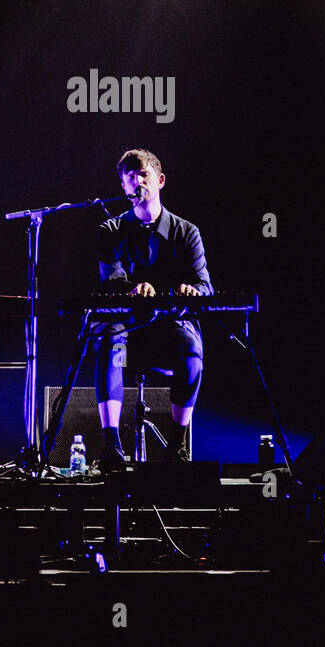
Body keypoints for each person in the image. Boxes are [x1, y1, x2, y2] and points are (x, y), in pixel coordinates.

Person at [93, 148, 212, 472]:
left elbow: (204, 284)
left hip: (170, 325)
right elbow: (110, 280)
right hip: (128, 326)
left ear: (159, 180)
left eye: (142, 174)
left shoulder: (187, 232)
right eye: (129, 178)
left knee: (191, 352)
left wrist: (192, 290)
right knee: (107, 341)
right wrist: (132, 289)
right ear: (123, 187)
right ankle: (111, 446)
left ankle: (176, 445)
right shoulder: (110, 230)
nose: (136, 181)